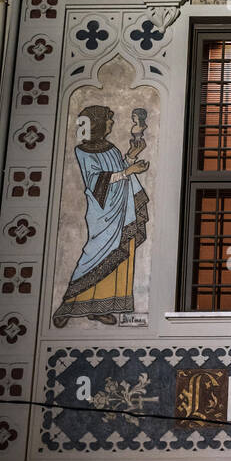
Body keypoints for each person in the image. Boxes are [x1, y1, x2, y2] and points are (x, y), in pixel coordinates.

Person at [53, 105, 149, 327]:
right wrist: (128, 172)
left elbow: (119, 168)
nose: (111, 124)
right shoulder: (82, 152)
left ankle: (100, 307)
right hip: (102, 214)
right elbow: (96, 181)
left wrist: (131, 158)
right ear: (96, 124)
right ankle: (69, 304)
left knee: (122, 253)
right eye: (108, 120)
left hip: (121, 211)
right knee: (93, 255)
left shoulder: (112, 149)